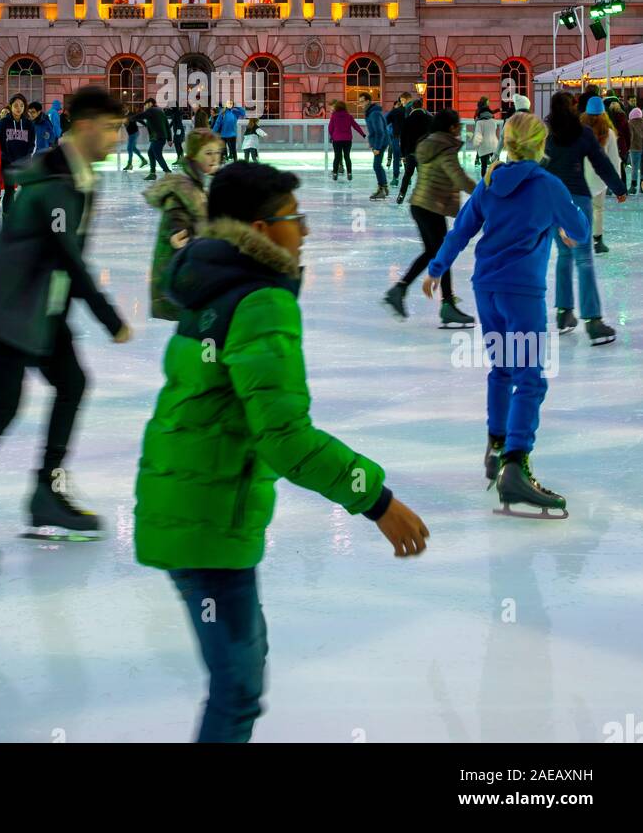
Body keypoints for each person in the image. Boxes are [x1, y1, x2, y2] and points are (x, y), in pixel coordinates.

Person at [134, 160, 429, 743]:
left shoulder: (211, 279)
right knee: (238, 689)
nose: (307, 231)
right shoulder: (261, 300)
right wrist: (376, 500)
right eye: (296, 217)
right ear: (264, 229)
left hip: (188, 500)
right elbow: (284, 435)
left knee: (240, 675)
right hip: (206, 518)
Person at [0, 87, 132, 574]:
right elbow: (68, 256)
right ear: (84, 127)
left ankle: (46, 493)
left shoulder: (79, 178)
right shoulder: (53, 183)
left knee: (72, 383)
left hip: (42, 307)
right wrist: (109, 317)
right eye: (112, 128)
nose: (118, 139)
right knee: (3, 406)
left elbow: (66, 259)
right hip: (9, 306)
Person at [423, 112, 590, 518]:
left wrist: (435, 269)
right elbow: (580, 230)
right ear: (539, 145)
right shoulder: (548, 186)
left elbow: (460, 230)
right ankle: (516, 464)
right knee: (530, 379)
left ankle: (496, 447)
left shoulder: (490, 182)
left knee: (501, 370)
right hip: (523, 294)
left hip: (487, 290)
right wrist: (565, 229)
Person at [544, 90, 626, 345]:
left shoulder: (549, 136)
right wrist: (618, 187)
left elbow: (539, 166)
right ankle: (593, 320)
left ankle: (564, 313)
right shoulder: (583, 134)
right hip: (578, 200)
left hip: (553, 202)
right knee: (584, 258)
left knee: (564, 256)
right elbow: (601, 163)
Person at [384, 108, 476, 326]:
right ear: (452, 127)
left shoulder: (430, 142)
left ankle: (401, 289)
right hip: (431, 207)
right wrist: (485, 193)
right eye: (458, 125)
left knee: (432, 253)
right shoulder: (445, 147)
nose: (460, 129)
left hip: (421, 204)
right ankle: (447, 305)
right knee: (442, 254)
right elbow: (459, 178)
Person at [144, 127, 224, 318]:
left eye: (217, 153)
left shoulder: (197, 186)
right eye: (208, 153)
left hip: (189, 275)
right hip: (181, 280)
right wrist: (177, 233)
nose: (214, 158)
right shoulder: (183, 187)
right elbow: (176, 217)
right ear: (194, 155)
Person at [581, 97, 621, 255]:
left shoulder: (578, 130)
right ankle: (598, 241)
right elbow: (614, 159)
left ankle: (581, 239)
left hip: (580, 177)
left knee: (580, 208)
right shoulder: (608, 133)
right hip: (599, 178)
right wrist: (617, 184)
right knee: (598, 209)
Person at [0, 94, 35, 216]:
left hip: (23, 163)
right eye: (16, 105)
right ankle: (7, 215)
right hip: (7, 162)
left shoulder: (28, 124)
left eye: (22, 105)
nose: (19, 108)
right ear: (11, 106)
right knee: (9, 190)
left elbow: (32, 143)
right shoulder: (4, 123)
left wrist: (28, 158)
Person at [397, 97, 431, 202]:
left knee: (407, 175)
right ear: (422, 107)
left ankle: (401, 195)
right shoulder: (429, 119)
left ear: (412, 107)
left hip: (410, 152)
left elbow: (402, 139)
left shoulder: (407, 120)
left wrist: (402, 154)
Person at [328, 100, 365, 181]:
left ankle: (335, 173)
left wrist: (332, 136)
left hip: (337, 139)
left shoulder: (334, 116)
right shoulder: (349, 116)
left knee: (337, 156)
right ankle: (349, 173)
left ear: (337, 107)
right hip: (347, 140)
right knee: (347, 156)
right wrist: (363, 134)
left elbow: (330, 128)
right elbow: (356, 126)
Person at [362, 93, 389, 199]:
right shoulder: (371, 112)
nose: (360, 104)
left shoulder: (374, 114)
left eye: (362, 101)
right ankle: (383, 187)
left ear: (368, 101)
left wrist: (377, 147)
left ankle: (382, 188)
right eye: (359, 101)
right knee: (377, 165)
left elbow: (380, 131)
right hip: (379, 142)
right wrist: (371, 141)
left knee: (376, 165)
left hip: (380, 142)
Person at [139, 97, 171, 180]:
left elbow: (166, 126)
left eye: (145, 105)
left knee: (157, 155)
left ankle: (167, 172)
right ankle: (153, 173)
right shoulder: (155, 112)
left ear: (150, 103)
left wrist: (169, 139)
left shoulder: (156, 112)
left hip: (158, 137)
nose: (145, 107)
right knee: (151, 153)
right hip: (157, 137)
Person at [384, 95, 409, 187]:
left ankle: (395, 178)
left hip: (396, 137)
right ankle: (408, 178)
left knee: (396, 158)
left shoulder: (394, 111)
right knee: (406, 158)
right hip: (407, 138)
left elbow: (385, 122)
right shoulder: (409, 111)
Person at [472, 100, 501, 178]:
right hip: (494, 145)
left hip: (484, 146)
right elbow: (494, 130)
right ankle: (496, 180)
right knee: (495, 165)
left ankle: (484, 183)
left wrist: (475, 145)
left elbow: (478, 135)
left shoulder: (479, 122)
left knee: (484, 166)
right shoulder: (493, 121)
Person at [608, 101, 631, 186]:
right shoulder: (623, 117)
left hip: (612, 145)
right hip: (622, 145)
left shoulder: (608, 118)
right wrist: (628, 146)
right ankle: (623, 186)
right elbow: (627, 134)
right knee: (621, 168)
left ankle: (610, 188)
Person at [628, 106, 643, 194]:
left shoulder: (630, 123)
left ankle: (633, 187)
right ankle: (642, 187)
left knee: (634, 168)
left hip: (635, 149)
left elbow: (631, 136)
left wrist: (628, 146)